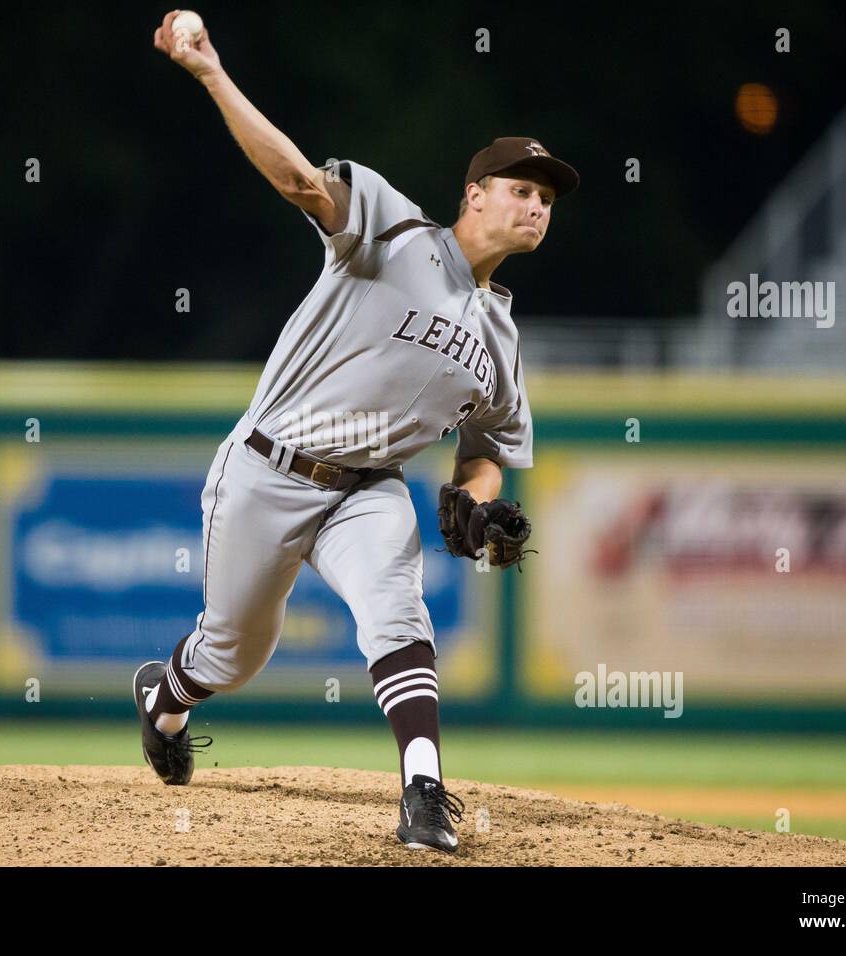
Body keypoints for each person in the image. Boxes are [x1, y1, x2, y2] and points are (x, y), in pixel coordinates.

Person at [141, 9, 578, 854]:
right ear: (473, 195)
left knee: (396, 606)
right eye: (521, 189)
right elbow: (302, 183)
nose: (535, 206)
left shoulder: (500, 337)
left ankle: (423, 792)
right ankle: (165, 698)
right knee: (233, 656)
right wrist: (210, 73)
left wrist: (477, 502)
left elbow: (485, 449)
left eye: (547, 198)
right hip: (267, 469)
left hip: (366, 491)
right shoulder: (394, 228)